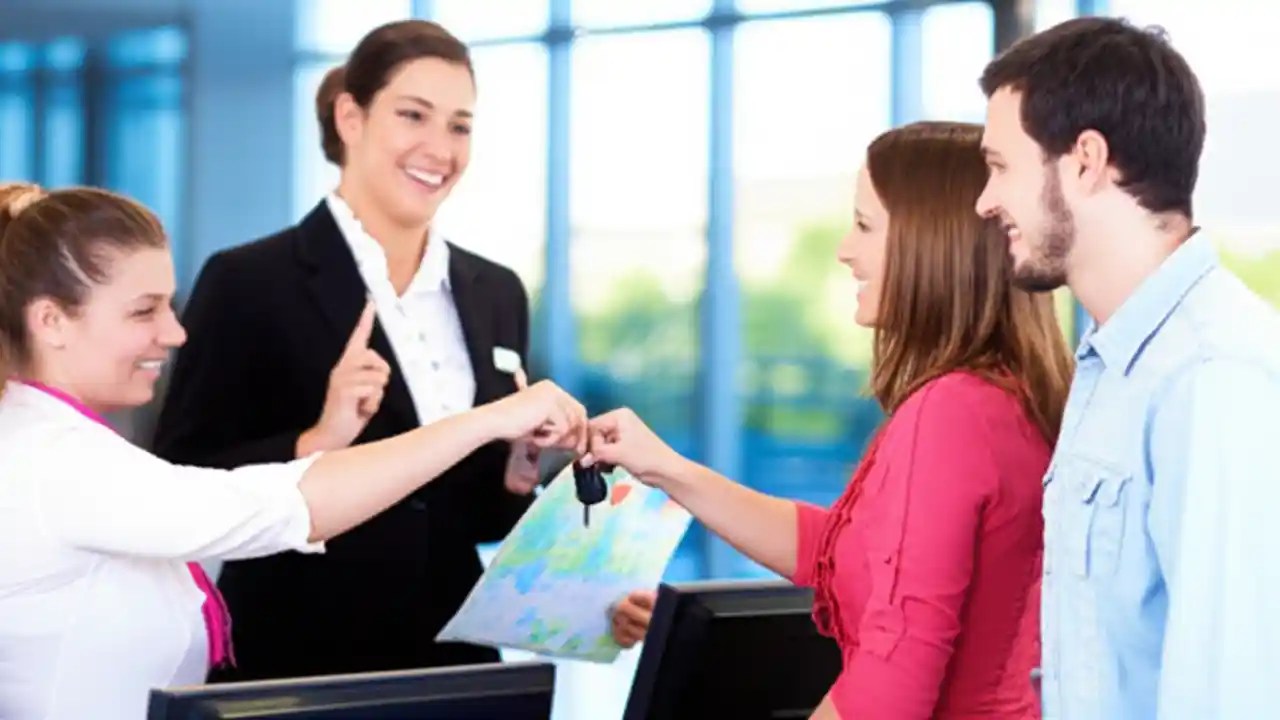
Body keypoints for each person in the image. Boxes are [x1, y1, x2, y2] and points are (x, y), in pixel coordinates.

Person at [0, 183, 586, 720]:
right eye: (143, 310)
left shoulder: (59, 444)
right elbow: (283, 505)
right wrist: (483, 422)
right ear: (51, 321)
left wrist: (328, 439)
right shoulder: (56, 463)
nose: (175, 333)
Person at [586, 121, 1074, 719]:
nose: (845, 250)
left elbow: (893, 675)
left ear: (931, 247)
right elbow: (844, 551)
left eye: (865, 226)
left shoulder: (950, 412)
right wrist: (666, 468)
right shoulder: (1006, 398)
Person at [151, 20, 540, 679]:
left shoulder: (496, 291)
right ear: (350, 117)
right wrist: (315, 442)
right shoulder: (249, 281)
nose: (440, 148)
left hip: (452, 662)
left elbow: (465, 518)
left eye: (460, 126)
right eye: (413, 115)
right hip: (297, 662)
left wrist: (516, 477)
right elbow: (183, 484)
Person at [975, 16, 1280, 719]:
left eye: (1000, 166)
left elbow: (1229, 697)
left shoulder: (1211, 375)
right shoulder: (1116, 364)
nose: (985, 201)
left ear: (1086, 159)